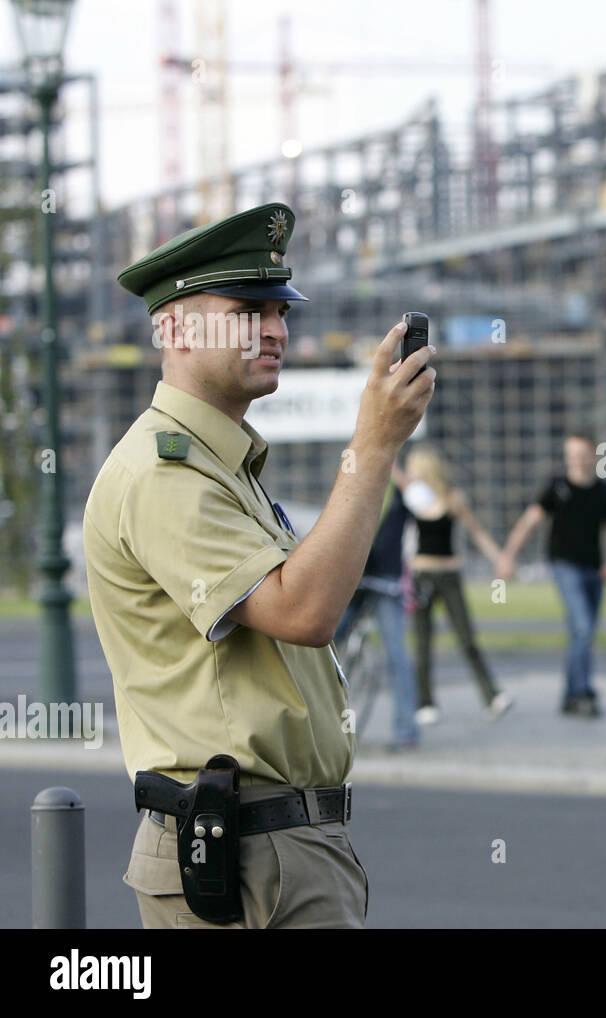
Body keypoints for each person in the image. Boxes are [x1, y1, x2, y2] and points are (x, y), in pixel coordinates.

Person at [83, 202, 435, 928]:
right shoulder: (163, 470)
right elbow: (303, 611)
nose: (274, 329)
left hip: (275, 840)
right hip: (238, 850)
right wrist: (371, 447)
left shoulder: (223, 463)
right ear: (174, 328)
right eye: (247, 310)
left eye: (279, 309)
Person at [497, 432, 606, 717]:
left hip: (595, 568)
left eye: (582, 453)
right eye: (571, 453)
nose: (577, 459)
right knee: (582, 627)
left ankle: (571, 695)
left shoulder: (605, 492)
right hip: (564, 565)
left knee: (582, 633)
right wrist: (508, 555)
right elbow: (529, 522)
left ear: (593, 455)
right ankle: (582, 692)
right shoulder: (557, 488)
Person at [395, 445, 513, 724]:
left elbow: (476, 531)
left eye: (415, 467)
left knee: (467, 638)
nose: (410, 472)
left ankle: (492, 696)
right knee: (422, 642)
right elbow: (393, 473)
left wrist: (500, 558)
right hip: (421, 576)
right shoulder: (412, 498)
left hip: (450, 575)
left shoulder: (453, 499)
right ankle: (425, 703)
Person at [332, 468, 421, 751]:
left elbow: (423, 503)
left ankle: (406, 730)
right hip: (354, 577)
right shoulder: (357, 482)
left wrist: (398, 474)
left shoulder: (402, 494)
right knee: (321, 645)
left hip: (385, 580)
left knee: (397, 656)